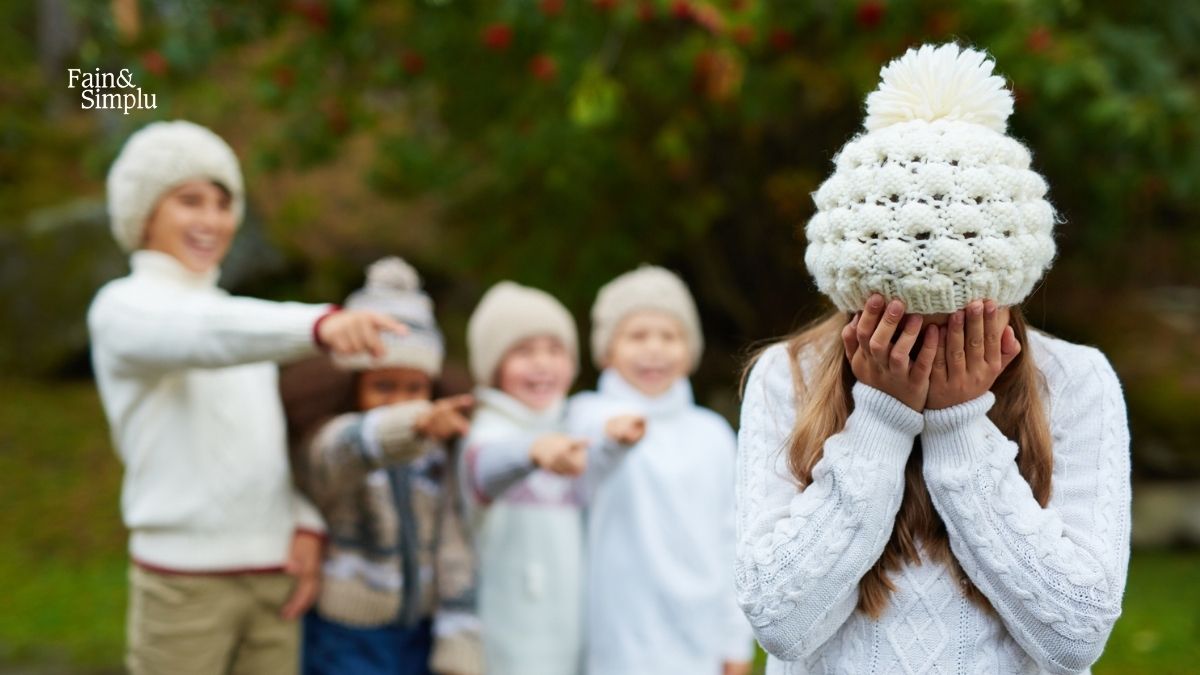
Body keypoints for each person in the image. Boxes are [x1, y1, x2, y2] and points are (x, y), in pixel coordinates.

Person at [736, 44, 1131, 674]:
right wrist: (880, 421)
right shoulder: (789, 376)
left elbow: (1075, 634)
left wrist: (958, 426)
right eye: (900, 320)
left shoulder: (1075, 380)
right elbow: (780, 622)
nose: (927, 347)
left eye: (956, 319)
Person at [88, 120, 403, 675]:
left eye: (223, 203)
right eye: (190, 201)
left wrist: (303, 520)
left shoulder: (240, 322)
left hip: (273, 577)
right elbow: (200, 333)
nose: (212, 221)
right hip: (184, 586)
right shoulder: (124, 309)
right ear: (144, 213)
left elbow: (261, 444)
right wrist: (319, 325)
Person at [285, 257, 481, 675]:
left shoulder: (437, 454)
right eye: (384, 387)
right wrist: (412, 424)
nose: (400, 401)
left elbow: (452, 539)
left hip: (419, 631)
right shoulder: (336, 441)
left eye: (415, 388)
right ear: (353, 384)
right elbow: (344, 449)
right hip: (348, 634)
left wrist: (459, 633)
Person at [572, 265, 754, 675]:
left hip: (698, 638)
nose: (653, 349)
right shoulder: (589, 415)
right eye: (636, 336)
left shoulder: (712, 434)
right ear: (606, 350)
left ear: (689, 350)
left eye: (669, 336)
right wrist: (612, 437)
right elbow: (588, 454)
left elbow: (733, 538)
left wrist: (735, 641)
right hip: (618, 637)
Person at [458, 281, 640, 675]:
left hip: (565, 631)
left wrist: (615, 443)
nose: (543, 364)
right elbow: (488, 468)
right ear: (493, 365)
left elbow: (587, 476)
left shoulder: (566, 426)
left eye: (555, 350)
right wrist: (533, 451)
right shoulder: (485, 433)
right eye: (524, 351)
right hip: (504, 636)